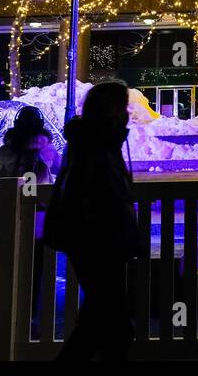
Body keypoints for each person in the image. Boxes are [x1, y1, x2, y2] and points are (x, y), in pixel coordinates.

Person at [44, 82, 142, 361]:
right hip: (100, 244)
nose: (127, 114)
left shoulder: (94, 142)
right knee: (108, 322)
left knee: (102, 320)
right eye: (123, 107)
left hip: (98, 243)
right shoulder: (96, 147)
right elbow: (100, 197)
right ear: (110, 111)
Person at [0, 105, 56, 187]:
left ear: (16, 123)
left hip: (11, 197)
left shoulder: (5, 151)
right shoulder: (47, 150)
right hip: (39, 197)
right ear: (41, 124)